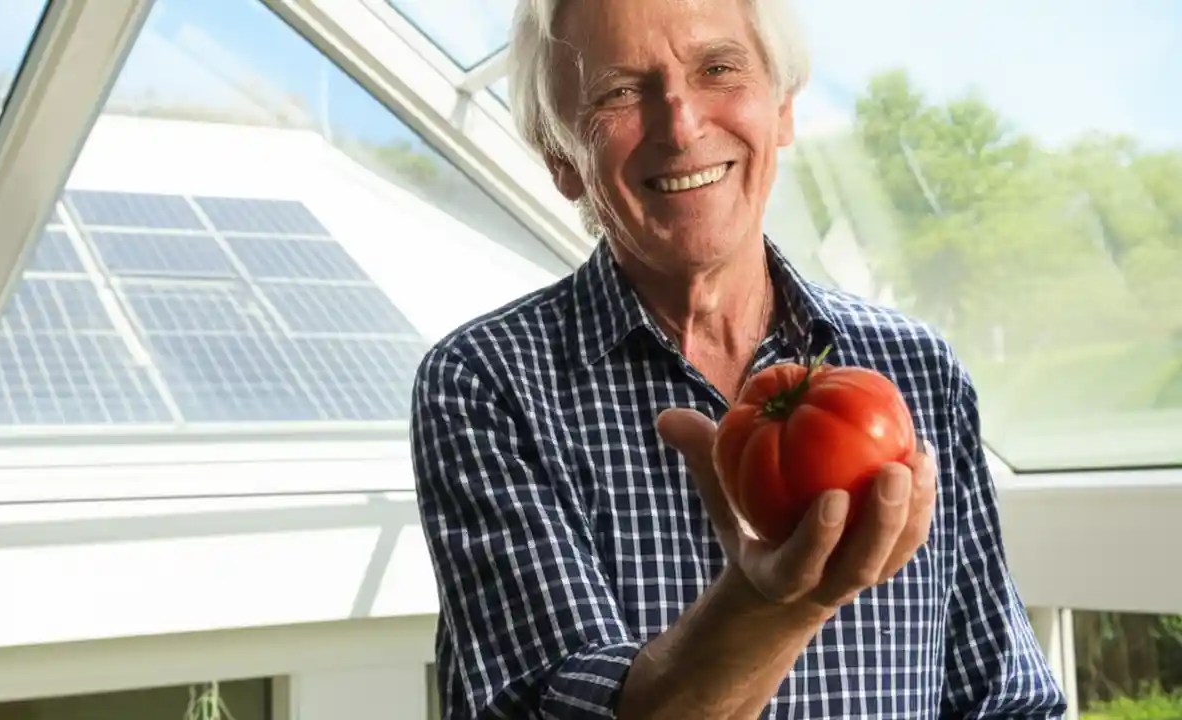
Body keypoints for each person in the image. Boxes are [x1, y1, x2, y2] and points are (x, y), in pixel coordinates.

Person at [409, 0, 1067, 717]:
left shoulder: (917, 372)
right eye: (620, 92)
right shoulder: (486, 384)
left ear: (782, 109)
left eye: (718, 69)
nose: (682, 125)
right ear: (560, 156)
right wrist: (772, 608)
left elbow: (1005, 702)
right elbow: (551, 704)